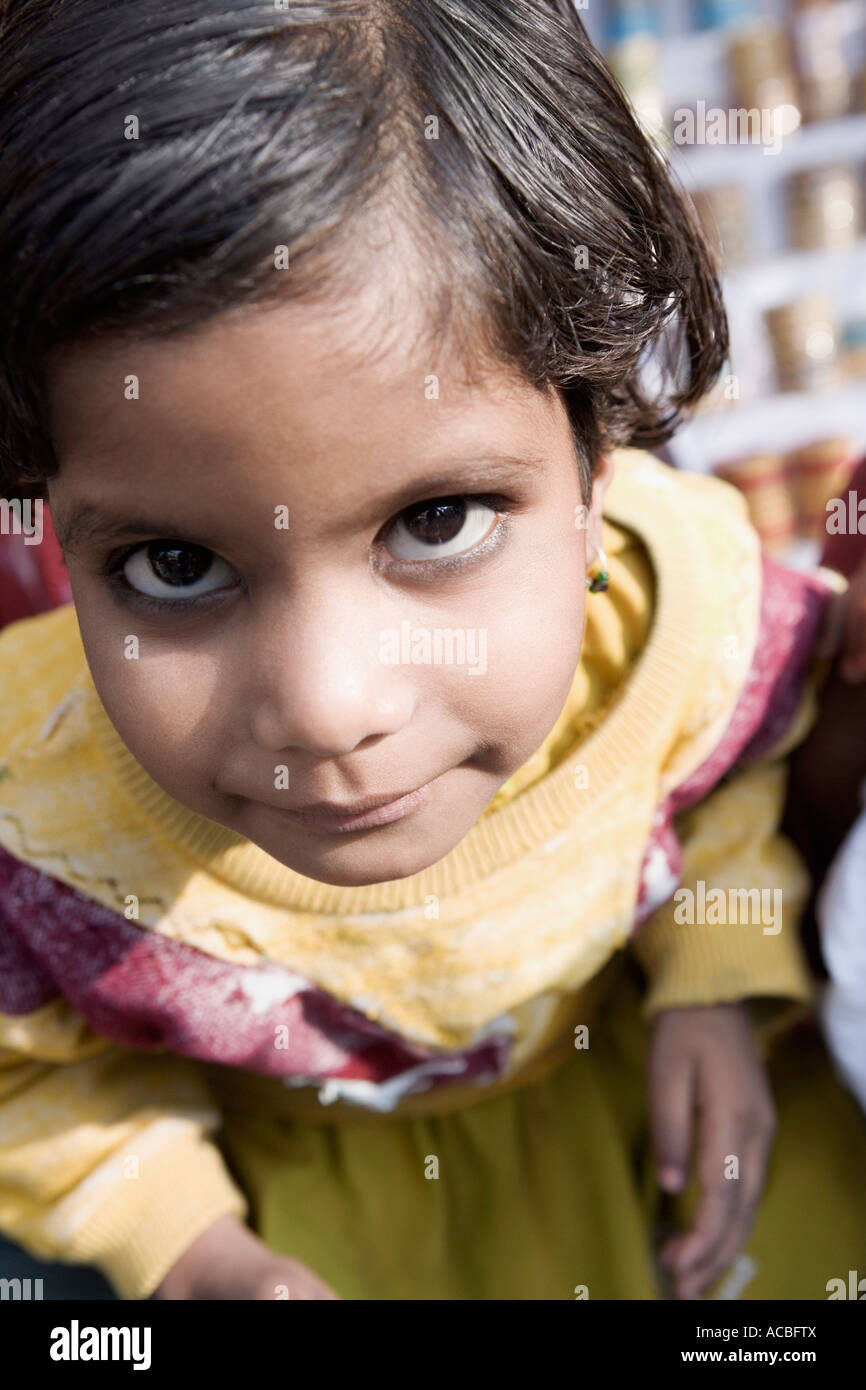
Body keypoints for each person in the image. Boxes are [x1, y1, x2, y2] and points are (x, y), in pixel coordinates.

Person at [0, 0, 864, 1303]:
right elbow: (34, 1078)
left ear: (592, 466)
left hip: (650, 1096)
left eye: (436, 521)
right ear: (50, 517)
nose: (325, 705)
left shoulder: (674, 607)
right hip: (310, 1206)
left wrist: (712, 984)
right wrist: (186, 1247)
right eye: (175, 565)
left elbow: (729, 762)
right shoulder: (33, 824)